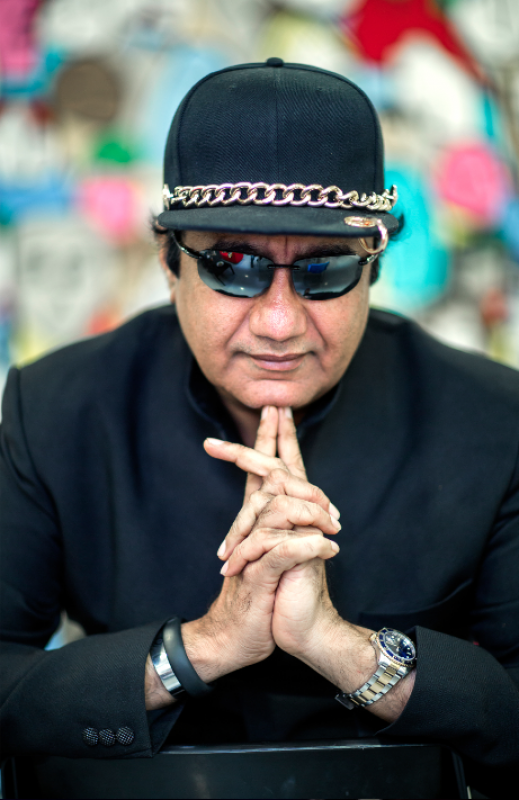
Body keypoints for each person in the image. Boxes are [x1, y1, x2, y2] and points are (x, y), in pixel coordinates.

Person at [1, 59, 518, 796]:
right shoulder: (56, 407)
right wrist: (200, 649)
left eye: (324, 271)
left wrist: (343, 649)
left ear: (373, 269)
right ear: (168, 261)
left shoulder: (492, 420)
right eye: (233, 265)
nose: (278, 322)